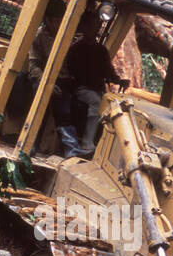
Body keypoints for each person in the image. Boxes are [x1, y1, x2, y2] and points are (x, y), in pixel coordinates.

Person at [55, 10, 129, 158]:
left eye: (95, 27)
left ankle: (107, 148)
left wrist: (119, 80)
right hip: (80, 89)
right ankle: (87, 143)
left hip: (98, 89)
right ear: (83, 28)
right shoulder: (75, 49)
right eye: (89, 26)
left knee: (115, 106)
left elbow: (109, 73)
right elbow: (71, 71)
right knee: (96, 102)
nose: (93, 30)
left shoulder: (101, 50)